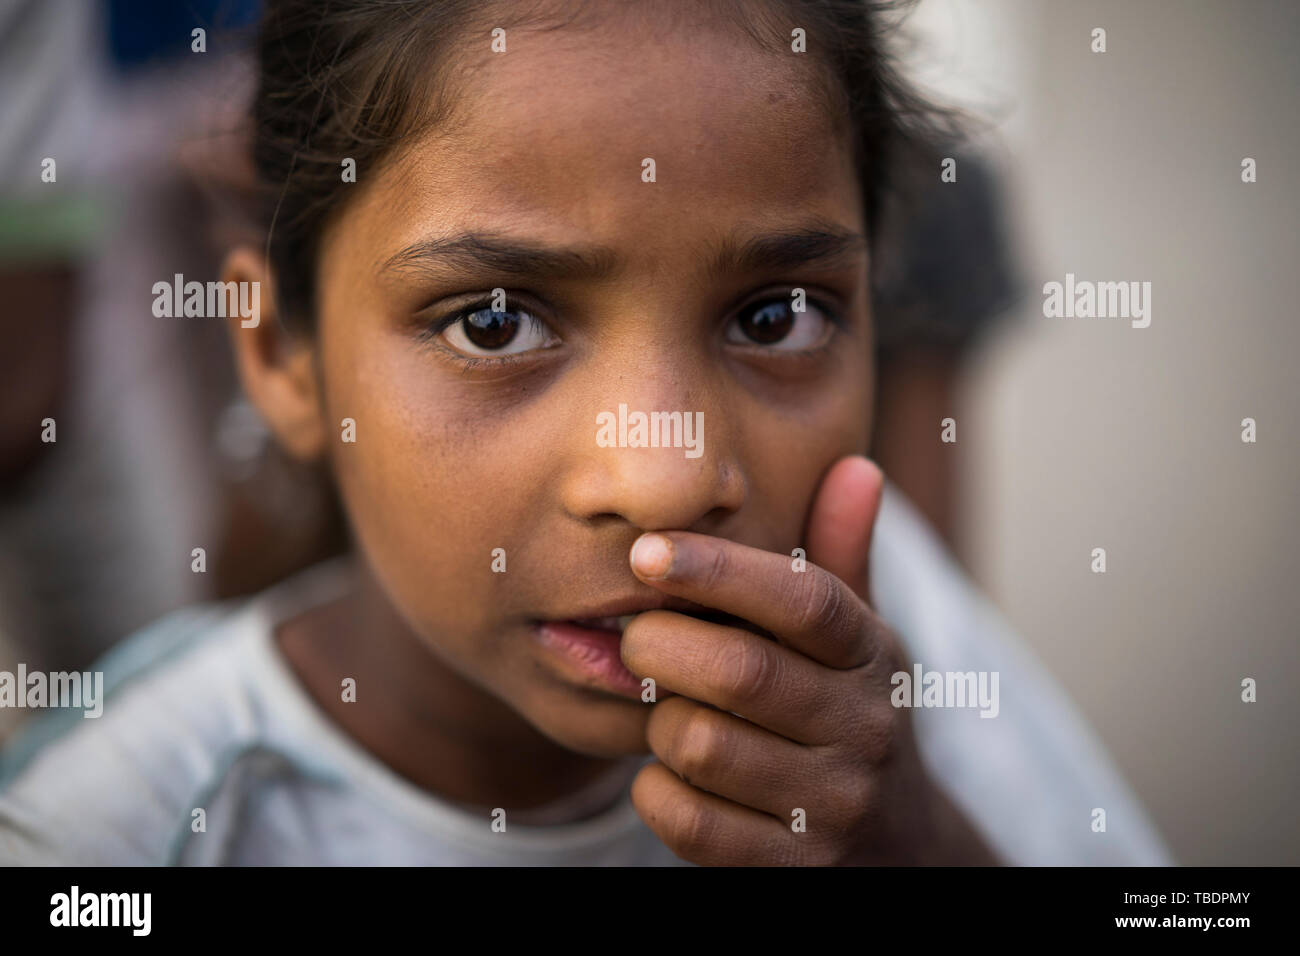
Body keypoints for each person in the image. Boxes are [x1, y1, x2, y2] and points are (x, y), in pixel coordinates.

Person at [0, 0, 1170, 866]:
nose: (664, 477)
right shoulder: (118, 827)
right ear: (280, 356)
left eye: (776, 315)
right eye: (496, 324)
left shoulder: (877, 635)